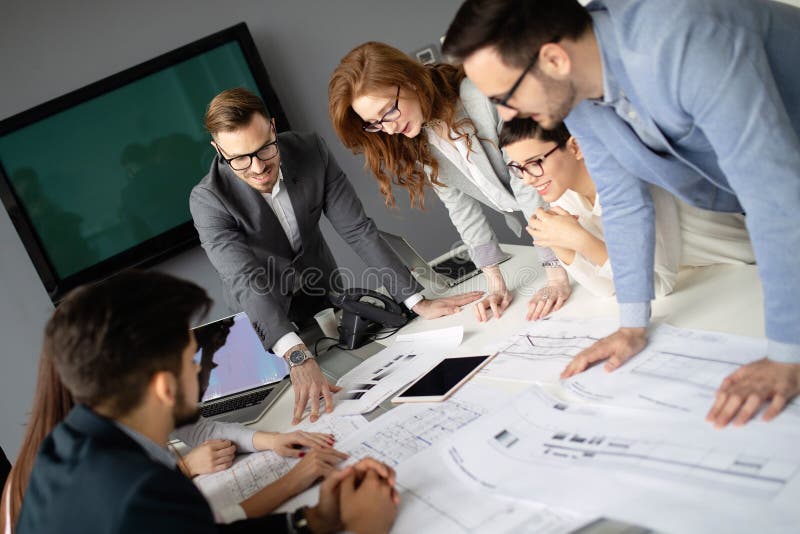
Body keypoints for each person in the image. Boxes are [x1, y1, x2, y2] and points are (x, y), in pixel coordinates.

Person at [442, 0, 800, 426]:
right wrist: (632, 325)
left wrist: (786, 353)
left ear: (554, 59)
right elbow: (624, 197)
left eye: (505, 96)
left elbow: (774, 194)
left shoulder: (681, 37)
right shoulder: (580, 94)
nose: (503, 115)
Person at [11, 271, 399, 534]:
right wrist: (364, 527)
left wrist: (308, 520)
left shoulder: (66, 447)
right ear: (164, 387)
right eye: (193, 361)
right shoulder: (141, 494)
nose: (204, 373)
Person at [190, 88, 482, 426]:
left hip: (325, 294)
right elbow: (245, 279)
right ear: (218, 150)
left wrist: (416, 301)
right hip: (267, 316)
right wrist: (295, 356)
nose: (257, 168)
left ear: (272, 128)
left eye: (264, 150)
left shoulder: (310, 150)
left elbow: (357, 229)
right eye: (239, 159)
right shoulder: (208, 200)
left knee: (364, 389)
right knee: (298, 415)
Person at [328, 41, 573, 323]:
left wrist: (554, 271)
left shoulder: (478, 98)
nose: (390, 127)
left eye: (389, 111)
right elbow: (461, 207)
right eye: (376, 123)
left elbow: (525, 181)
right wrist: (495, 282)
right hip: (555, 227)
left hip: (573, 205)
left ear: (410, 82)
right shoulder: (420, 138)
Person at [0, 350, 348, 533]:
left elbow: (196, 429)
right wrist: (295, 487)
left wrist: (272, 440)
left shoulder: (86, 433)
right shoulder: (92, 471)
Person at [499, 118, 755, 297]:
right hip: (702, 281)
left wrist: (581, 240)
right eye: (518, 168)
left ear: (575, 146)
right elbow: (606, 290)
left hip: (750, 270)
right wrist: (562, 246)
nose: (528, 178)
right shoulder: (564, 199)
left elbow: (655, 287)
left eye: (534, 163)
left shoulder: (632, 183)